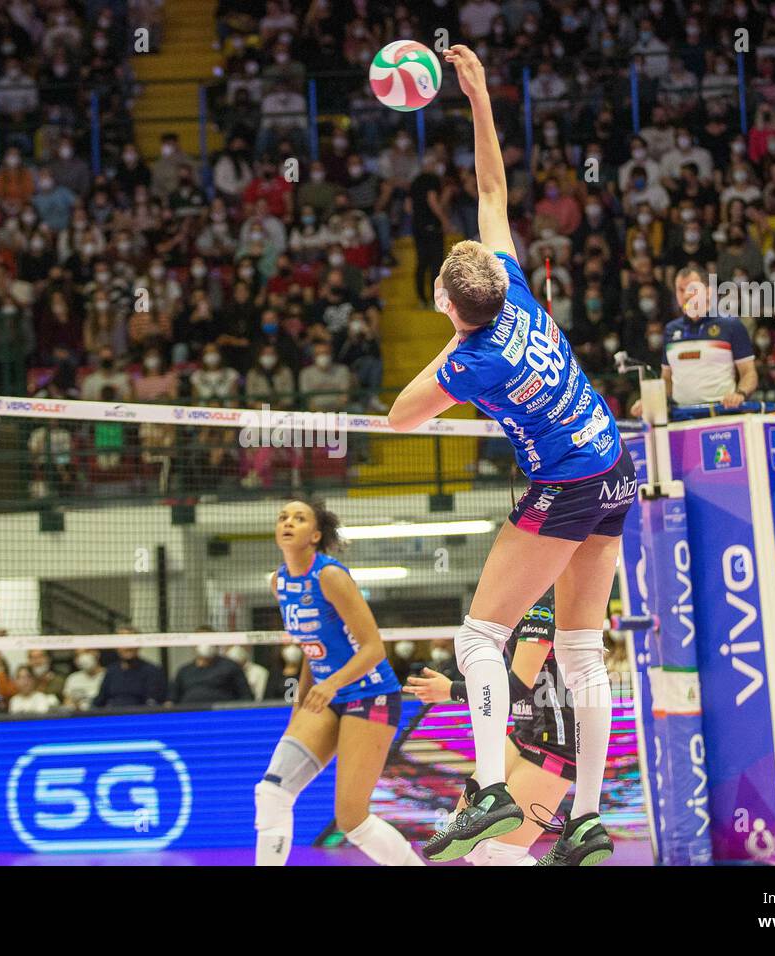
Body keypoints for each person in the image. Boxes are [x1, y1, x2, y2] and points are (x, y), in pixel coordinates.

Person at [388, 46, 636, 866]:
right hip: (614, 464)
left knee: (478, 638)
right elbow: (493, 189)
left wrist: (451, 346)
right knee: (578, 650)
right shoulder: (518, 288)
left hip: (565, 488)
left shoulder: (468, 358)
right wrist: (481, 97)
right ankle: (590, 820)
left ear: (446, 303)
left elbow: (399, 419)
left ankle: (489, 793)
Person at [255, 500, 423, 866]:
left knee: (352, 819)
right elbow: (310, 649)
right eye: (283, 516)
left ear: (314, 536)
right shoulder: (278, 581)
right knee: (271, 792)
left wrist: (330, 685)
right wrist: (300, 706)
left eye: (299, 518)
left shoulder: (329, 576)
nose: (287, 522)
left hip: (372, 694)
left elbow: (374, 647)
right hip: (326, 697)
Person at [407, 590, 575, 865]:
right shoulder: (511, 605)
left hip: (556, 741)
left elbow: (517, 689)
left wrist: (450, 689)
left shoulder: (541, 605)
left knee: (501, 854)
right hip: (523, 733)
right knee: (471, 841)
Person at [656, 264, 759, 409]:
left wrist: (740, 394)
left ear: (709, 292)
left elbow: (749, 372)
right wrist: (651, 402)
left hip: (721, 413)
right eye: (681, 290)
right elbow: (666, 379)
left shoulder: (731, 325)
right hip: (681, 415)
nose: (686, 295)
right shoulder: (670, 330)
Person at [172, 644, 254, 704]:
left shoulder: (230, 666)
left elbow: (246, 696)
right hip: (190, 715)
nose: (206, 644)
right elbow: (172, 699)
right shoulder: (184, 670)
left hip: (221, 714)